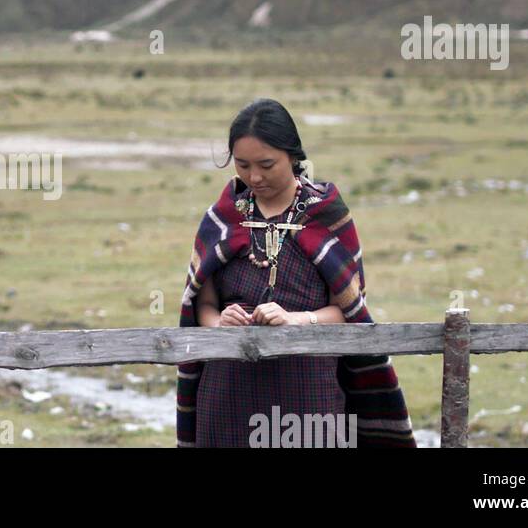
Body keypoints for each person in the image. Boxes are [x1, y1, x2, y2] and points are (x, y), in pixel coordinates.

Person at [176, 99, 416, 448]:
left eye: (266, 164)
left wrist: (297, 320)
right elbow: (203, 305)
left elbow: (348, 311)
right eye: (242, 165)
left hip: (308, 397)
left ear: (292, 155)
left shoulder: (326, 215)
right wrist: (219, 324)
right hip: (227, 395)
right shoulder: (223, 217)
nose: (254, 177)